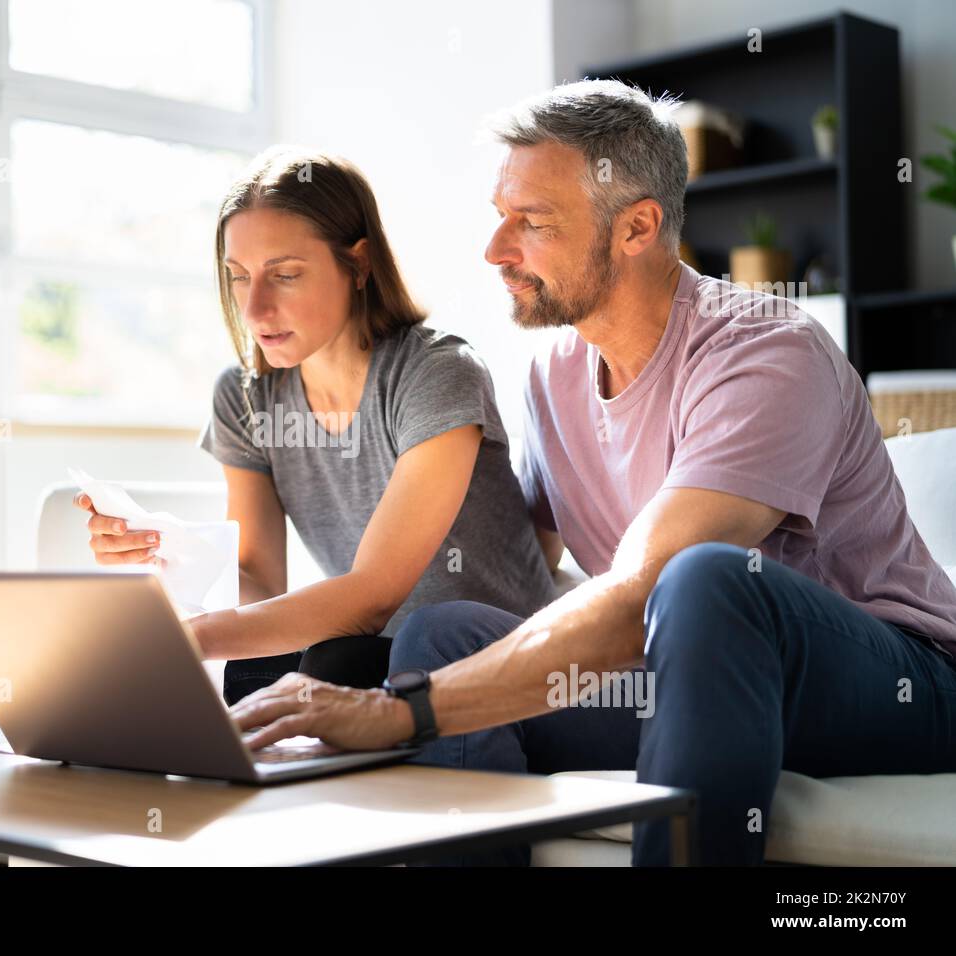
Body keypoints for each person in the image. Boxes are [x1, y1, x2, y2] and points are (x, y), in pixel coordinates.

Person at [227, 81, 956, 866]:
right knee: (446, 633)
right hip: (677, 680)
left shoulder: (765, 351)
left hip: (895, 681)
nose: (496, 249)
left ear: (638, 226)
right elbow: (517, 570)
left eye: (531, 223)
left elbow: (646, 590)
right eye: (499, 216)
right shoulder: (554, 376)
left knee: (708, 580)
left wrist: (405, 714)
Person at [75, 146, 555, 705]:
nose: (254, 310)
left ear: (358, 264)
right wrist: (167, 547)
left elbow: (371, 596)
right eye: (238, 277)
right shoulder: (245, 397)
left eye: (284, 275)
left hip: (501, 664)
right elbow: (259, 581)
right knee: (261, 673)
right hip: (379, 663)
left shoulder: (436, 372)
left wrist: (186, 641)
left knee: (330, 662)